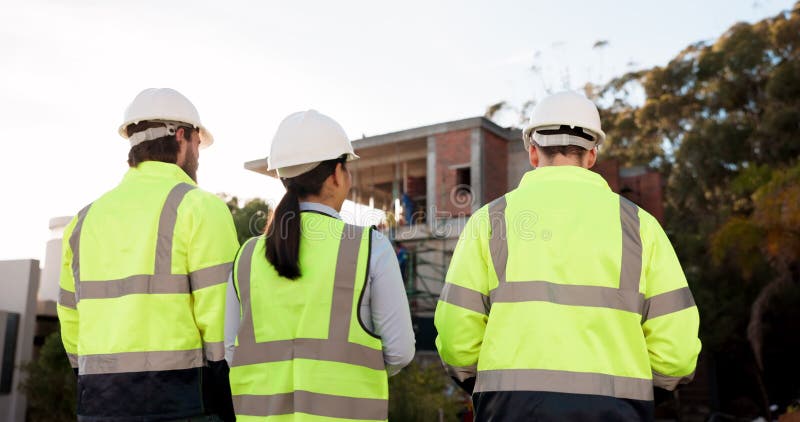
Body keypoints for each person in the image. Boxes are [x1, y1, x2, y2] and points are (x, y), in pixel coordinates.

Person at [434, 91, 701, 421]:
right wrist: (637, 394)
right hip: (617, 411)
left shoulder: (488, 223)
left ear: (532, 152)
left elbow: (456, 338)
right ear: (592, 155)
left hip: (511, 409)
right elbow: (677, 351)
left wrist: (494, 387)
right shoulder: (641, 227)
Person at [57, 88, 239, 421]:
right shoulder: (200, 207)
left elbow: (71, 318)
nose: (198, 154)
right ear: (181, 137)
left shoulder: (83, 220)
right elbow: (221, 319)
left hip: (98, 403)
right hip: (184, 403)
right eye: (198, 144)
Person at [225, 110, 415, 421]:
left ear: (284, 178)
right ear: (338, 174)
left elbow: (232, 354)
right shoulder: (372, 248)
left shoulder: (246, 257)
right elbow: (400, 351)